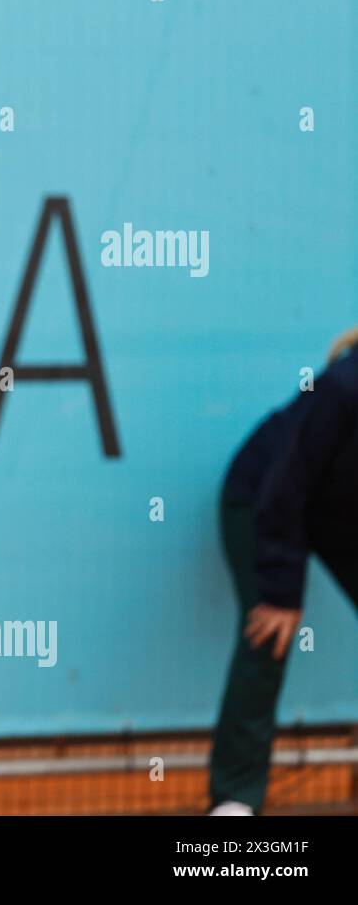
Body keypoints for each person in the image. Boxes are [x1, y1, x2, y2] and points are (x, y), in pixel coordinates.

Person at [207, 326, 358, 815]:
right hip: (260, 500)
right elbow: (282, 488)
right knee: (268, 631)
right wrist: (280, 591)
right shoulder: (342, 387)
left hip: (336, 512)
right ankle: (235, 798)